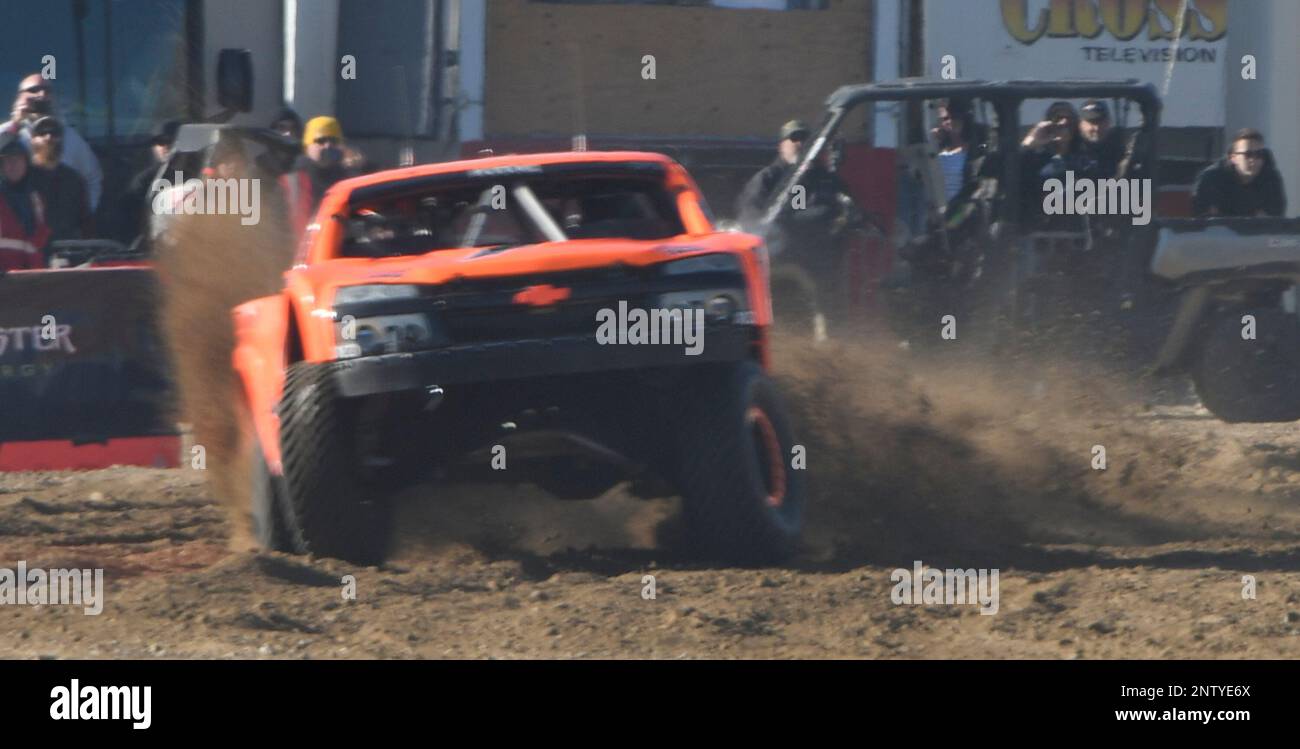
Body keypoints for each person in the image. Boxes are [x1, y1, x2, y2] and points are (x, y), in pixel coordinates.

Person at [10, 74, 103, 211]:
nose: (41, 94)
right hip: (19, 226)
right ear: (20, 97)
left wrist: (86, 214)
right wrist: (15, 123)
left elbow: (93, 178)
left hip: (60, 225)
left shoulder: (70, 138)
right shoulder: (9, 133)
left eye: (47, 91)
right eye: (33, 90)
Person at [280, 116, 362, 235]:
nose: (327, 146)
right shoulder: (290, 181)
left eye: (333, 141)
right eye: (320, 141)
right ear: (306, 147)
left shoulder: (350, 180)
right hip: (298, 248)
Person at [1192, 128, 1287, 217]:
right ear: (1233, 158)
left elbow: (1274, 219)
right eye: (1247, 154)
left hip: (1257, 234)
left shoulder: (1271, 179)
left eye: (1259, 154)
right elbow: (1207, 221)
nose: (1253, 160)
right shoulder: (1211, 179)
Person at [27, 116, 92, 243]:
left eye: (54, 133)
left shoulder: (74, 179)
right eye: (42, 133)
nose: (48, 137)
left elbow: (86, 223)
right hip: (32, 253)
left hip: (69, 250)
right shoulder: (22, 177)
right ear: (32, 141)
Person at [0, 127, 51, 271]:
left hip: (33, 282)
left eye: (18, 159)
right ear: (1, 166)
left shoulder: (36, 200)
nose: (13, 165)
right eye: (8, 160)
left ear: (26, 163)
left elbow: (43, 242)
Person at [1076, 99, 1126, 179]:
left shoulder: (1122, 144)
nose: (1097, 128)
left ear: (1109, 122)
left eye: (1100, 121)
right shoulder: (1071, 146)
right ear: (1080, 124)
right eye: (1092, 122)